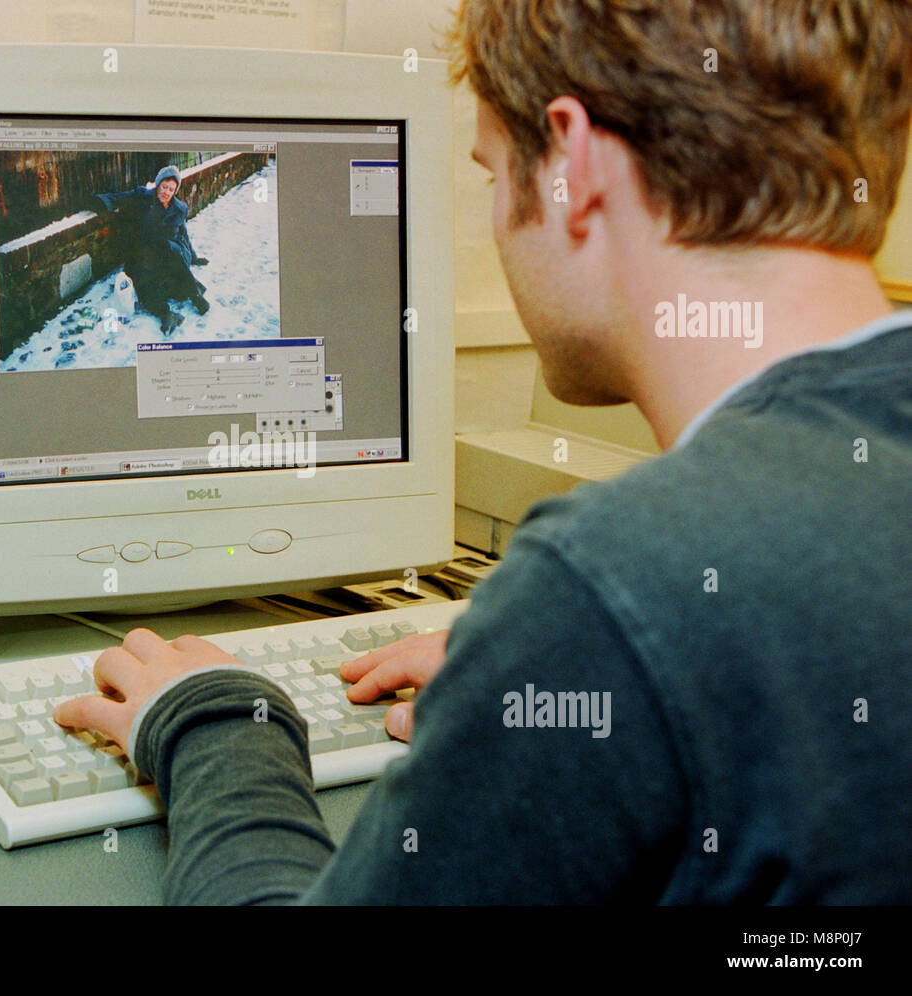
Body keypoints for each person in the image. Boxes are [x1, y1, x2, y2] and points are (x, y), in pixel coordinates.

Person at [56, 0, 912, 904]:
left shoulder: (615, 583)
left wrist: (218, 725)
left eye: (494, 173)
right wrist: (542, 668)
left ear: (571, 165)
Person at [92, 165, 211, 333]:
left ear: (175, 191)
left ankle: (195, 296)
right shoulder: (143, 197)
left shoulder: (179, 209)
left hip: (171, 255)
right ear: (157, 184)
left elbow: (183, 234)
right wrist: (100, 201)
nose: (166, 192)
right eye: (164, 187)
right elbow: (120, 198)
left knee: (171, 248)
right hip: (145, 254)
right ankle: (166, 314)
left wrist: (194, 256)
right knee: (143, 286)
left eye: (171, 189)